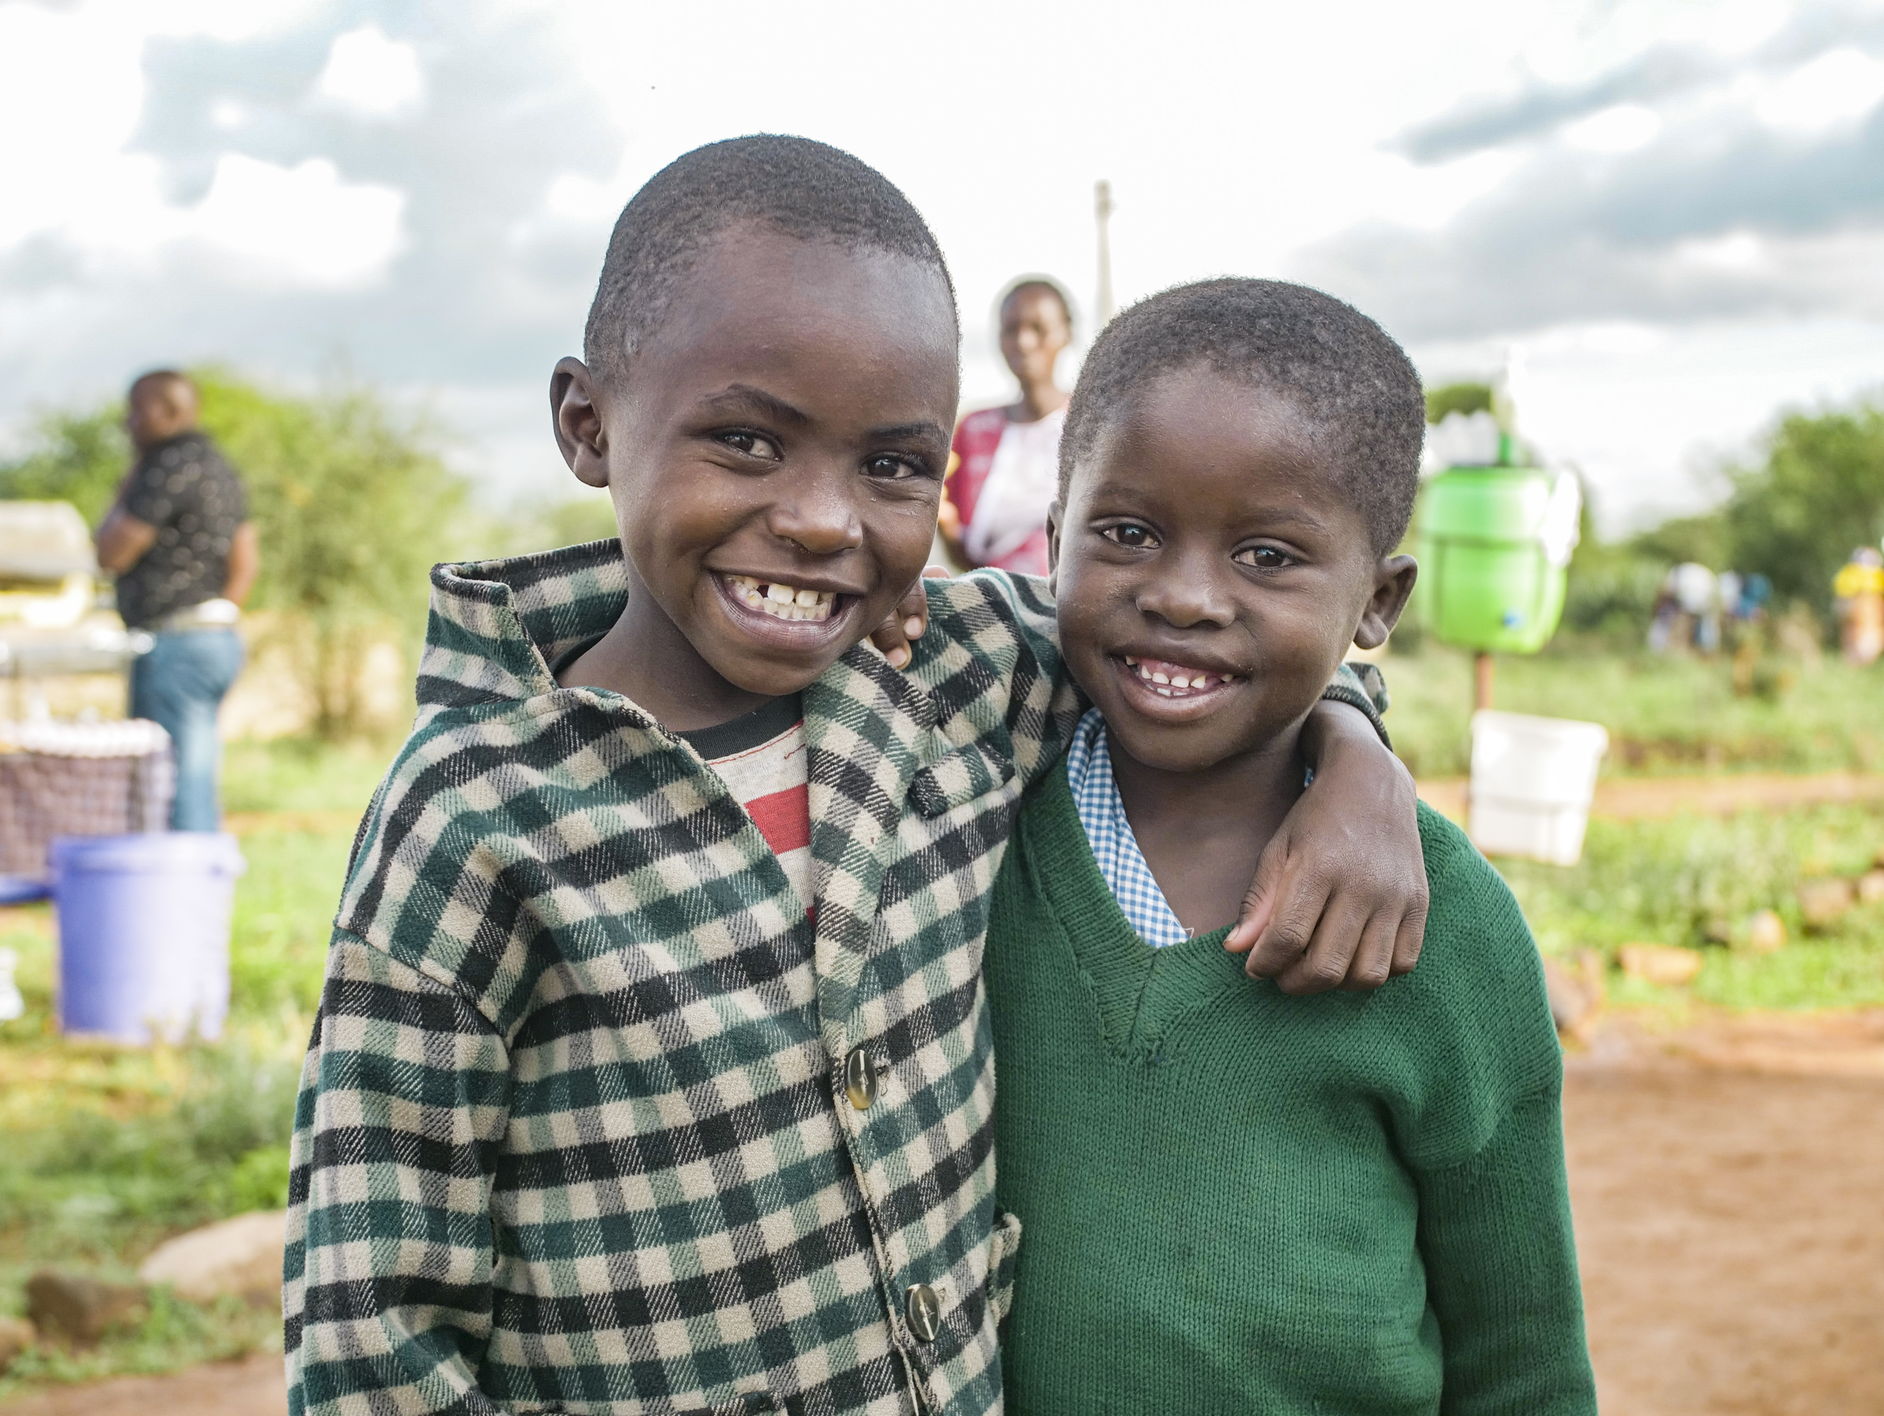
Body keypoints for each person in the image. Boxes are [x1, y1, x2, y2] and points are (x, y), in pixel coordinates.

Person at [283, 138, 1430, 1416]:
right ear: (588, 423)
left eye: (891, 466)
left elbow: (1195, 649)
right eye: (746, 442)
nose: (827, 520)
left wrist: (1354, 753)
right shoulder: (475, 817)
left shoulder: (951, 680)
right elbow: (372, 1338)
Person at [987, 280, 1596, 1414]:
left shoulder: (1449, 928)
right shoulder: (969, 836)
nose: (1184, 596)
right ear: (1055, 541)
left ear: (1381, 600)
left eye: (1268, 556)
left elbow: (1524, 1354)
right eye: (1127, 533)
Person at [94, 370, 258, 831]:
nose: (128, 423)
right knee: (193, 776)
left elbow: (112, 552)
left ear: (168, 410)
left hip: (177, 642)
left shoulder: (165, 464)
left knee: (167, 786)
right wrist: (215, 616)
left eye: (135, 410)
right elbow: (246, 561)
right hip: (215, 639)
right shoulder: (219, 466)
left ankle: (183, 898)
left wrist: (127, 485)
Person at [939, 278, 1073, 575]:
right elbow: (955, 532)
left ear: (1066, 333)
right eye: (1012, 330)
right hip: (991, 599)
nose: (1023, 342)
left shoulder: (1093, 423)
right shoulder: (974, 430)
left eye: (1038, 328)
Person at [1833, 546, 1884, 665]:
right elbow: (1843, 602)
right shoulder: (1849, 576)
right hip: (1859, 621)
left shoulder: (1877, 578)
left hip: (1870, 621)